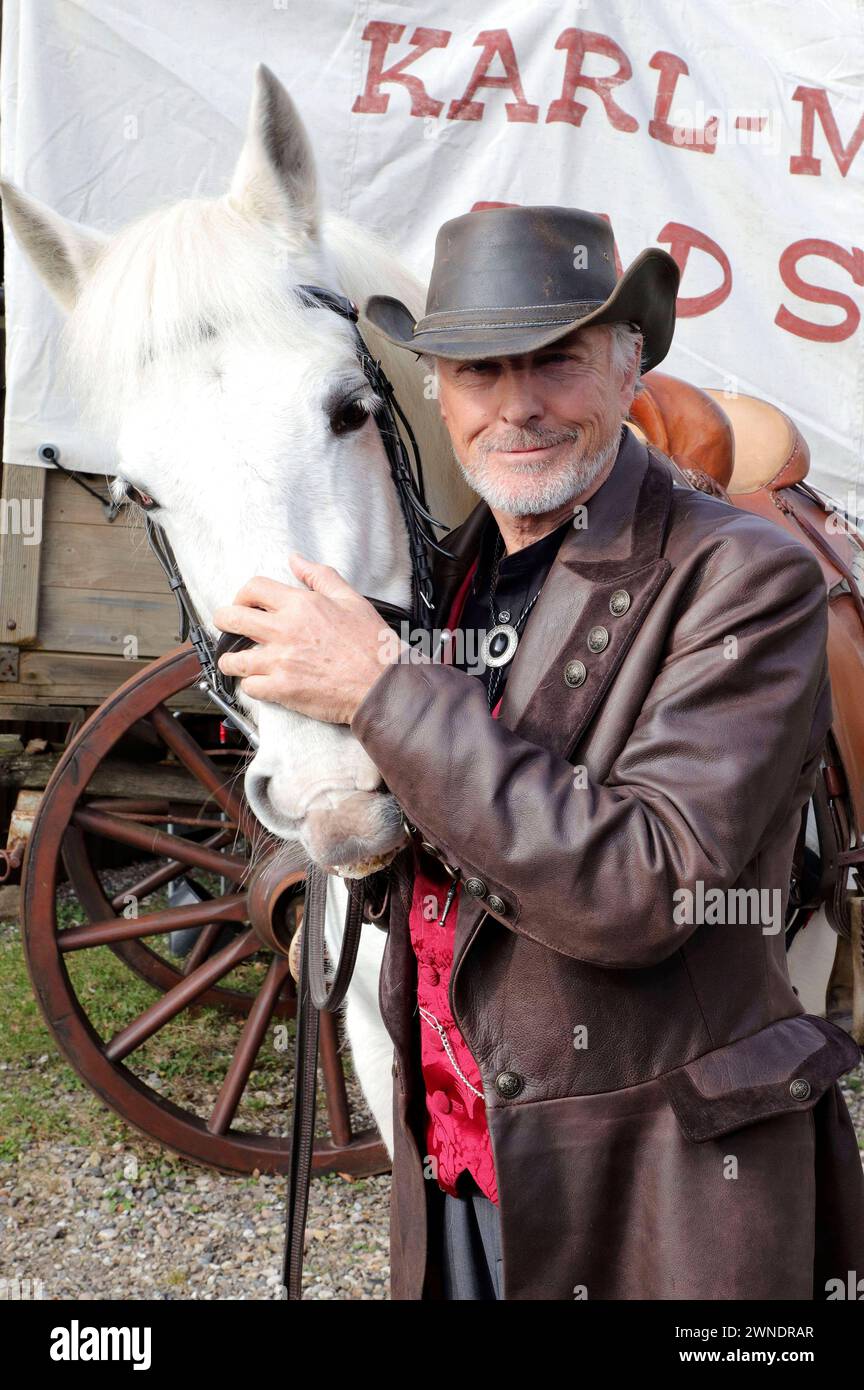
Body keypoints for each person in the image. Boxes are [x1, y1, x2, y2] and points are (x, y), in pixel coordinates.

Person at [215, 206, 864, 1300]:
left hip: (662, 1191)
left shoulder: (740, 578)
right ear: (437, 391)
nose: (517, 405)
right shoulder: (450, 579)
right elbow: (448, 837)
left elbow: (644, 885)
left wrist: (381, 691)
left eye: (556, 362)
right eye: (477, 370)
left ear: (626, 368)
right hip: (459, 1162)